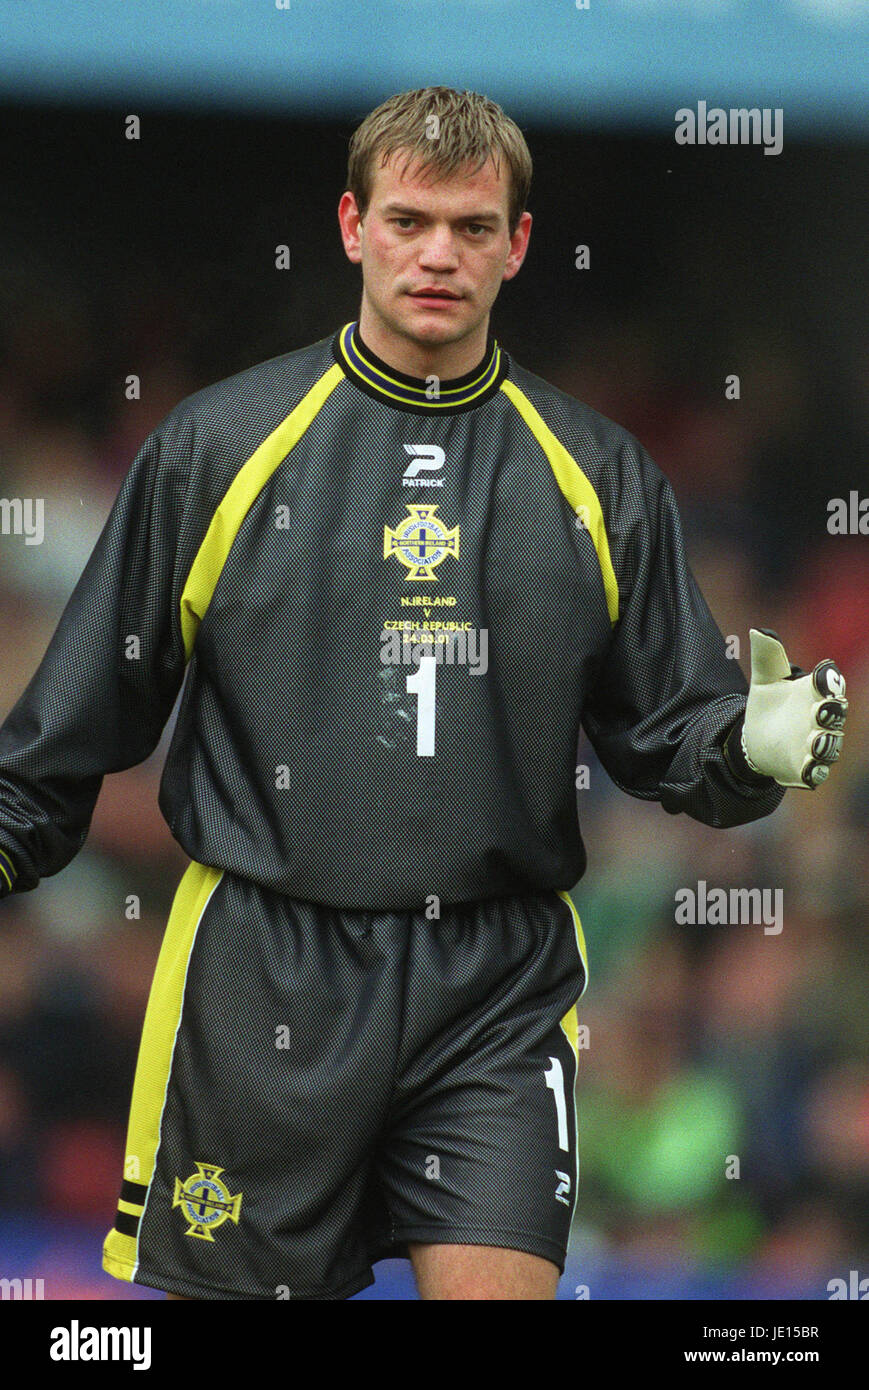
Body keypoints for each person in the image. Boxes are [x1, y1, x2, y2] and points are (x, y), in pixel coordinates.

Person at [0, 87, 847, 1302]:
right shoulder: (220, 448)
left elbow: (671, 737)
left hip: (494, 990)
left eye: (469, 225)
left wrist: (747, 746)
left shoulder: (596, 476)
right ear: (352, 227)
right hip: (264, 978)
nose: (436, 253)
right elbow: (72, 729)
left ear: (517, 244)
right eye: (408, 220)